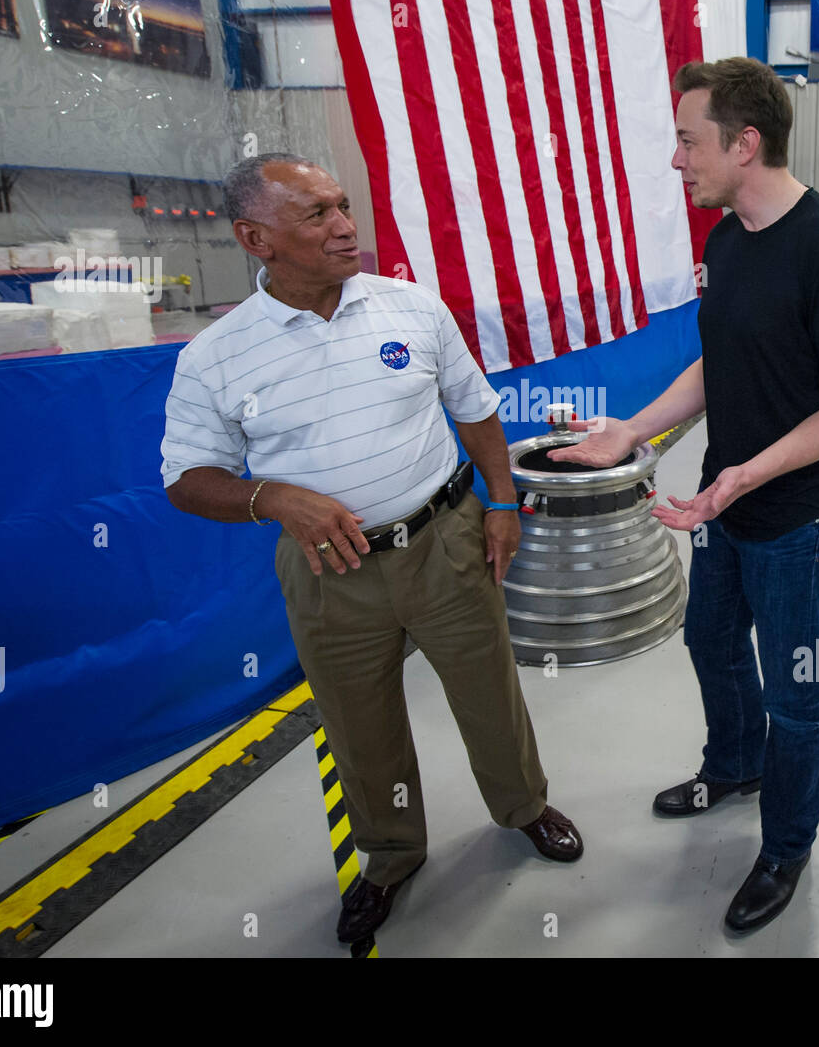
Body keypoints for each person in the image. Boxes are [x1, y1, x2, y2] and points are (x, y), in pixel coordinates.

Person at [160, 153, 583, 944]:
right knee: (361, 725)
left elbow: (476, 409)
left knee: (490, 691)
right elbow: (185, 478)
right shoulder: (215, 358)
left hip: (445, 543)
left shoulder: (411, 309)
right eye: (316, 213)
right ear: (257, 238)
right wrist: (273, 497)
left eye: (344, 205)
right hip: (330, 576)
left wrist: (500, 503)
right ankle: (390, 856)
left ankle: (523, 807)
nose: (346, 226)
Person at [550, 57, 819, 933]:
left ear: (745, 143)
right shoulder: (727, 237)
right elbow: (720, 359)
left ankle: (784, 847)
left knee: (796, 689)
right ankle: (734, 764)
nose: (675, 160)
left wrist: (751, 472)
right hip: (724, 497)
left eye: (687, 140)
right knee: (709, 638)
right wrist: (635, 429)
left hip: (799, 516)